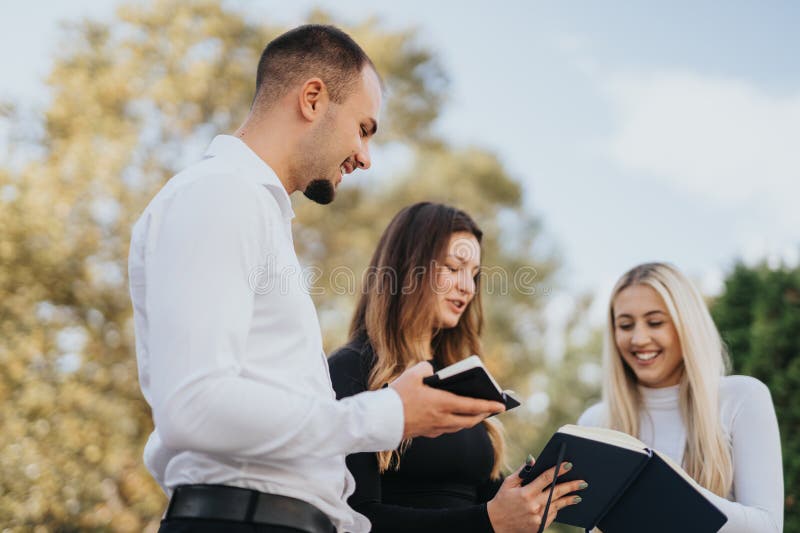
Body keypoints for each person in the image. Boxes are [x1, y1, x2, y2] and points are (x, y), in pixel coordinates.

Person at [128, 25, 506, 533]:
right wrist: (389, 414)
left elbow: (305, 474)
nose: (366, 156)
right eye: (364, 128)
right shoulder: (221, 194)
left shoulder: (258, 215)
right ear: (312, 98)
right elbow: (194, 408)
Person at [329, 202, 588, 533]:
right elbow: (354, 520)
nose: (468, 287)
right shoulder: (349, 370)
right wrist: (487, 520)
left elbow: (479, 503)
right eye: (453, 268)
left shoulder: (461, 377)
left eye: (475, 274)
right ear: (409, 270)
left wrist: (525, 499)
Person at [578, 262, 783, 532]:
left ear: (686, 325)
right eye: (626, 325)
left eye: (655, 322)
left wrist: (663, 487)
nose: (638, 339)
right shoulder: (595, 422)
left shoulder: (742, 398)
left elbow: (767, 527)